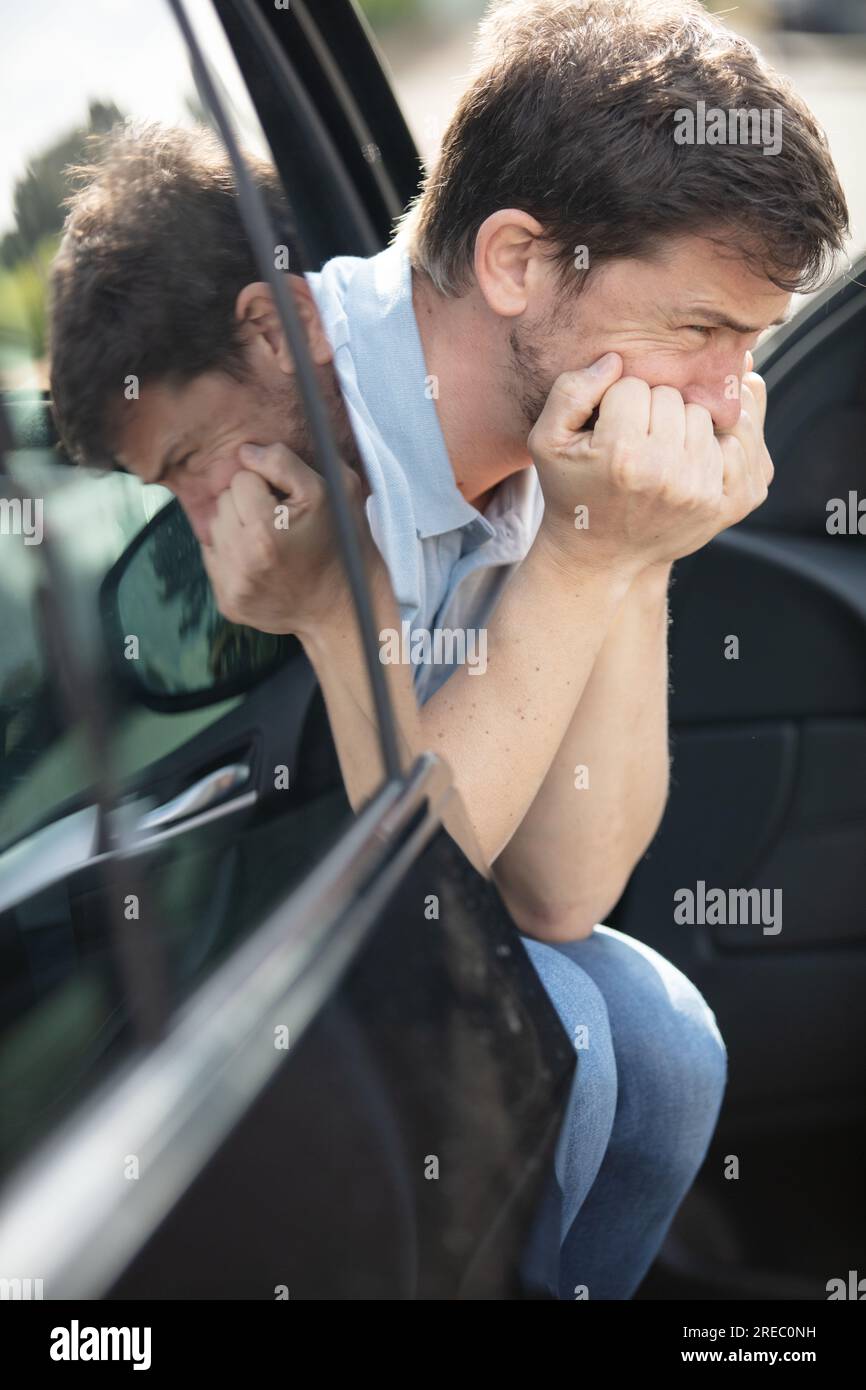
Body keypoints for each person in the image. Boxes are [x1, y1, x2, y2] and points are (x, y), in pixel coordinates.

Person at [49, 0, 848, 1298]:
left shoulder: (557, 442)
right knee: (585, 1025)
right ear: (517, 261)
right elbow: (434, 916)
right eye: (701, 331)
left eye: (745, 346)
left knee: (650, 1024)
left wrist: (624, 548)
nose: (722, 397)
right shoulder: (319, 439)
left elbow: (560, 895)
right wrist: (339, 605)